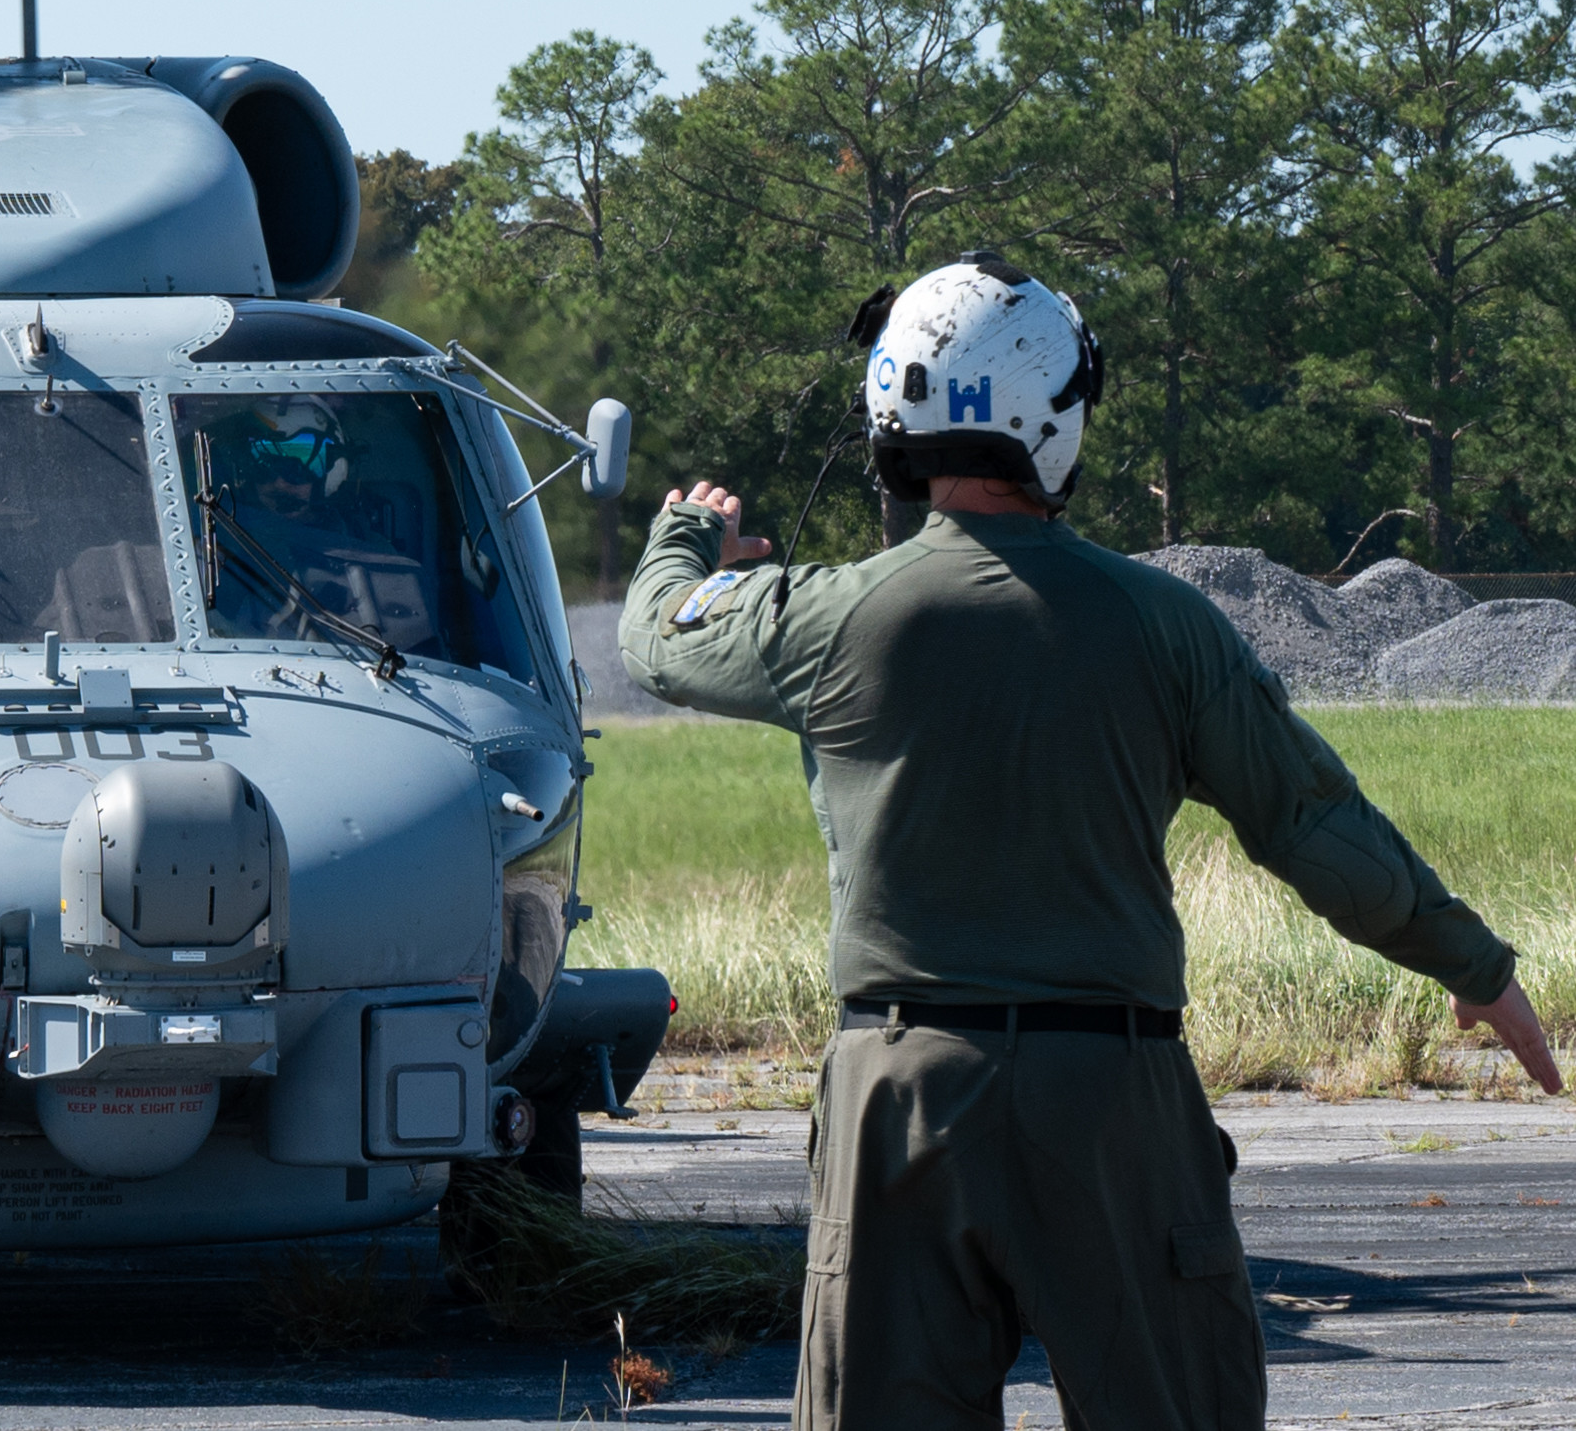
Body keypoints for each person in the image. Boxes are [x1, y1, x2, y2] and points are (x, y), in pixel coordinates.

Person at [617, 253, 1562, 1431]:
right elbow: (1309, 820)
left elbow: (657, 639)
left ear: (889, 411)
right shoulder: (1163, 624)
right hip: (1111, 1097)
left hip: (897, 1093)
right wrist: (1467, 963)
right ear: (1050, 419)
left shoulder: (825, 613)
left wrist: (683, 538)